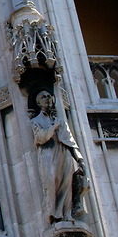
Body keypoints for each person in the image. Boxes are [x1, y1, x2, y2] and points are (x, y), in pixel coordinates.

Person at [31, 90, 88, 223]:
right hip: (48, 154)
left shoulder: (60, 120)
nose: (47, 99)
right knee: (50, 183)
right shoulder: (35, 121)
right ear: (38, 103)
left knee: (66, 184)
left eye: (49, 96)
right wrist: (53, 128)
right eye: (43, 97)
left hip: (64, 153)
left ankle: (67, 214)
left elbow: (70, 140)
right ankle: (52, 214)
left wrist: (80, 159)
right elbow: (40, 138)